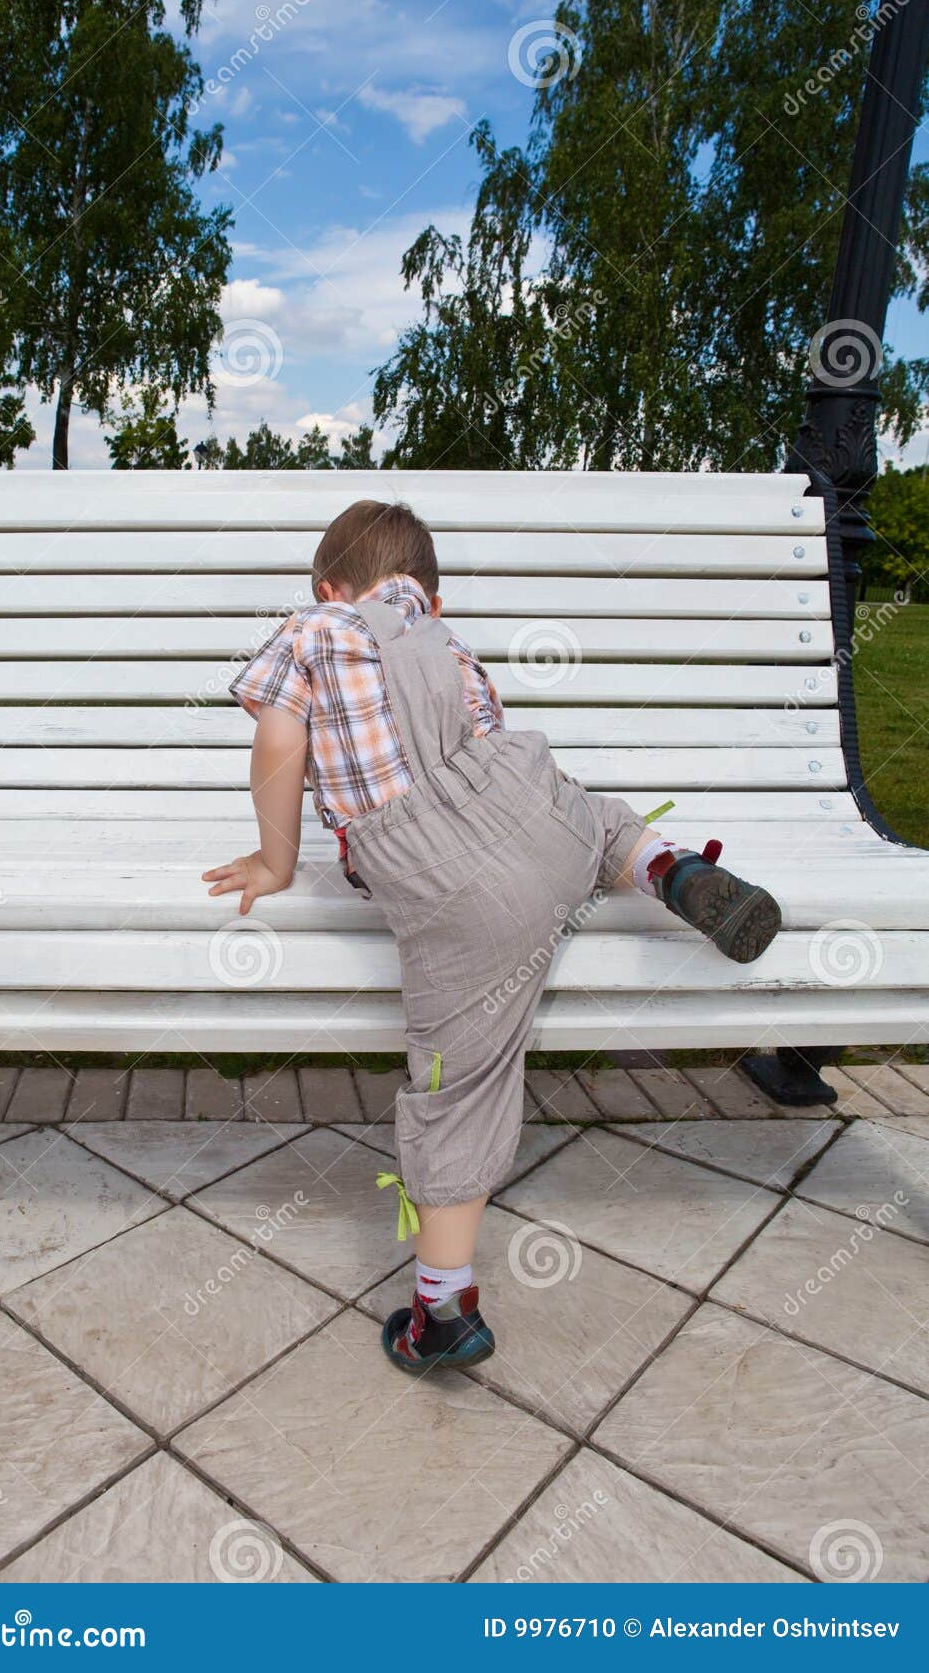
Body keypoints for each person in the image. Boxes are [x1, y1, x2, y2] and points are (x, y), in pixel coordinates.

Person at [203, 500, 781, 1375]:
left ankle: (442, 1314)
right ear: (425, 597)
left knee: (459, 1083)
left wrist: (276, 860)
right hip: (533, 811)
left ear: (331, 587)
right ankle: (668, 869)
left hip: (452, 887)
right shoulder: (449, 646)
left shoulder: (310, 629)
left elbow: (278, 737)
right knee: (588, 814)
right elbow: (494, 769)